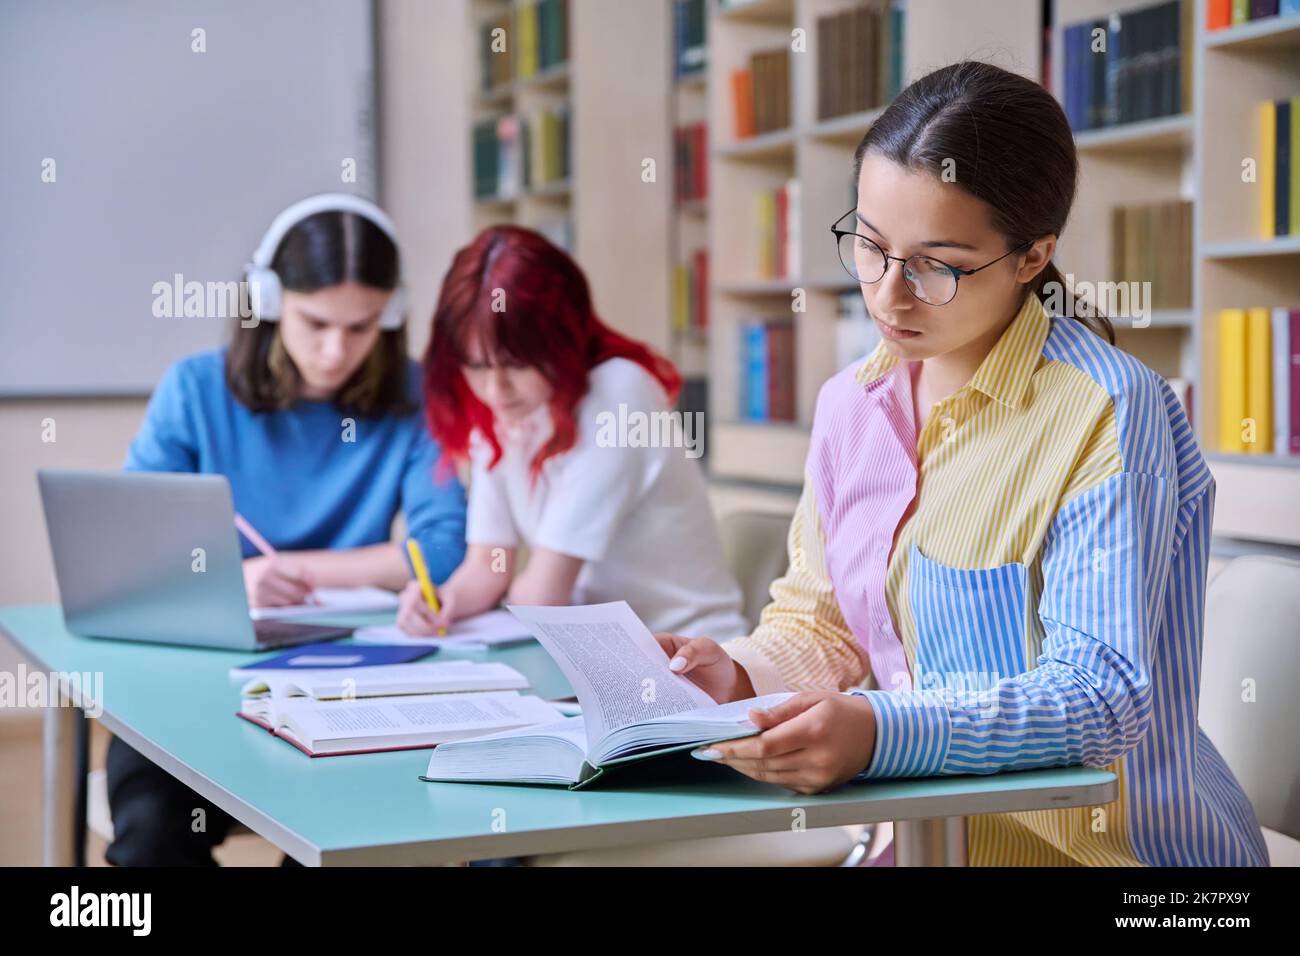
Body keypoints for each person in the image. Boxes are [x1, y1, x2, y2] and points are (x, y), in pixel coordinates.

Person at [659, 62, 1269, 866]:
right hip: (917, 843)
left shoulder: (1112, 410)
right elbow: (823, 625)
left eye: (936, 264)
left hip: (1114, 861)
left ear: (1030, 256)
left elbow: (1101, 698)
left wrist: (881, 732)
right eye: (871, 247)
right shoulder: (852, 405)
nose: (888, 295)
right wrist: (734, 678)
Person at [106, 194, 467, 866]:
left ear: (389, 315)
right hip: (194, 692)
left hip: (356, 690)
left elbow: (442, 552)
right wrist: (235, 579)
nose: (336, 352)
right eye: (316, 322)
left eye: (361, 328)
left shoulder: (416, 397)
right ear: (270, 302)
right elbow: (136, 552)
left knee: (366, 841)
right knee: (154, 836)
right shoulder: (194, 390)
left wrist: (290, 573)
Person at [397, 225, 746, 642]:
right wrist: (443, 599)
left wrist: (503, 601)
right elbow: (488, 565)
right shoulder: (504, 407)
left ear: (560, 340)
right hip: (596, 652)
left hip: (689, 660)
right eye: (476, 366)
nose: (495, 390)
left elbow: (543, 596)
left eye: (517, 364)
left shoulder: (619, 392)